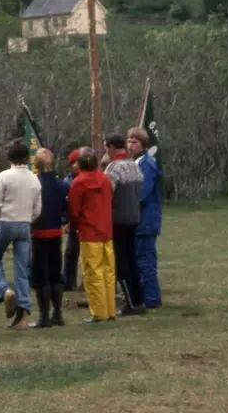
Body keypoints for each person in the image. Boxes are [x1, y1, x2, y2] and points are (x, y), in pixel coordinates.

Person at [0, 139, 42, 330]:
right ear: (27, 157)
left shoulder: (4, 176)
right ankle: (23, 315)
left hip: (6, 221)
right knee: (22, 269)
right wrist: (27, 218)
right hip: (25, 224)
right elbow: (38, 209)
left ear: (9, 157)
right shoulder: (35, 179)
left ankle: (3, 290)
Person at [68, 148, 116, 323]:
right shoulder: (104, 178)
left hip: (89, 232)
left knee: (92, 273)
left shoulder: (78, 183)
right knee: (108, 271)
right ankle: (110, 309)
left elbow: (74, 210)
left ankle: (99, 312)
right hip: (107, 230)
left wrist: (73, 225)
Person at [105, 134, 146, 316]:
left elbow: (107, 194)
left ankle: (130, 302)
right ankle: (139, 298)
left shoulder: (113, 168)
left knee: (122, 263)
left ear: (111, 147)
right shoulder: (135, 166)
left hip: (118, 220)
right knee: (132, 260)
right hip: (134, 218)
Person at [29, 149, 68, 328]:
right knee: (55, 272)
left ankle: (44, 315)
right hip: (55, 232)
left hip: (38, 232)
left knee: (40, 274)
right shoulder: (62, 185)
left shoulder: (34, 185)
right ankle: (57, 313)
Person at [130, 127, 163, 309]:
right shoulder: (136, 163)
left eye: (135, 142)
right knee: (139, 259)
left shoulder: (147, 165)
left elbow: (142, 193)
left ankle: (151, 298)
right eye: (129, 142)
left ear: (143, 145)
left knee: (146, 260)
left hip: (146, 220)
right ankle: (143, 295)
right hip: (139, 220)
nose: (131, 145)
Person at [63, 149, 82, 291]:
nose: (74, 166)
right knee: (70, 251)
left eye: (77, 162)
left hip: (86, 220)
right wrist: (65, 221)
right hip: (73, 221)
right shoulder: (67, 180)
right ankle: (69, 281)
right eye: (72, 163)